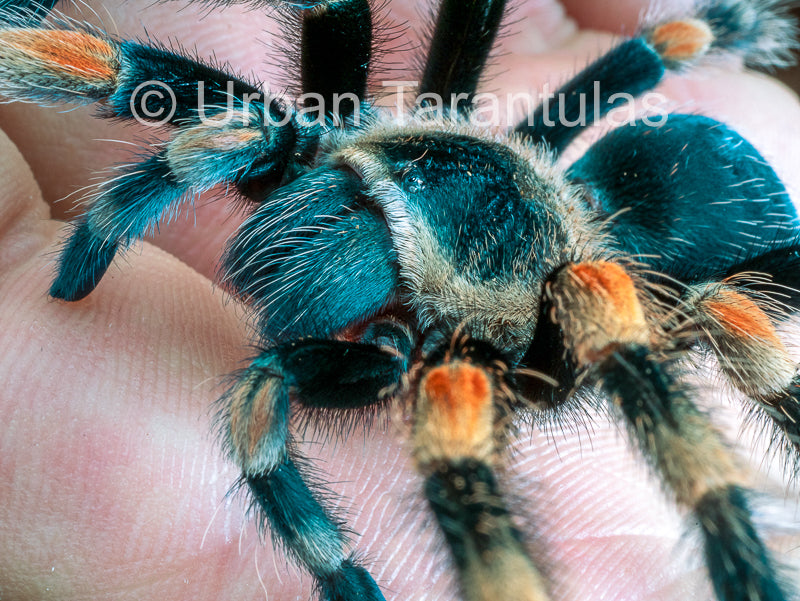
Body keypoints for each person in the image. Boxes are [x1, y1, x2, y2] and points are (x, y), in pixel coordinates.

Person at [1, 0, 798, 599]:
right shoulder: (320, 131)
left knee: (661, 304)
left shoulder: (552, 317)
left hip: (664, 247)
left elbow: (652, 55)